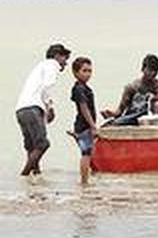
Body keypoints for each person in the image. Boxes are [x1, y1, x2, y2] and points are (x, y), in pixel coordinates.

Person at [15, 43, 70, 176]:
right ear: (57, 56)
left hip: (21, 109)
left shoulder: (40, 67)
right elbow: (47, 87)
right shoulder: (52, 65)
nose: (65, 63)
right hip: (32, 108)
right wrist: (50, 107)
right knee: (42, 144)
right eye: (64, 58)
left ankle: (35, 176)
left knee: (32, 146)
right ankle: (24, 175)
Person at [103, 54, 158, 125]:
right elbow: (120, 110)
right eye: (150, 70)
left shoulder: (156, 85)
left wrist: (153, 98)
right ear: (143, 69)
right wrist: (111, 113)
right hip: (134, 117)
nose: (152, 73)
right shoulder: (132, 87)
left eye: (155, 71)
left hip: (152, 119)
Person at [69, 57, 99, 185]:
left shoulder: (84, 88)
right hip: (84, 125)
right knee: (86, 153)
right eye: (84, 71)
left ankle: (87, 178)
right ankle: (84, 182)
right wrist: (92, 126)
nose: (88, 74)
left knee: (89, 152)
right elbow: (83, 107)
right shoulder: (79, 89)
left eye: (90, 71)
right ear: (75, 73)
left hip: (83, 125)